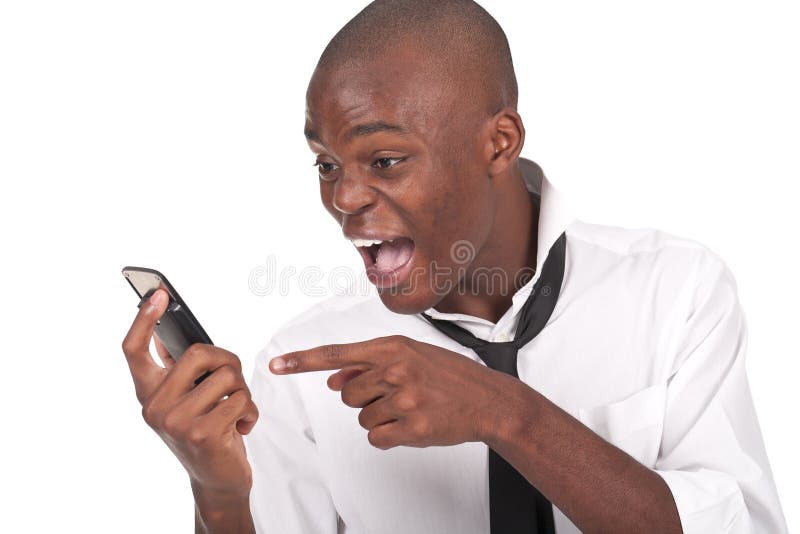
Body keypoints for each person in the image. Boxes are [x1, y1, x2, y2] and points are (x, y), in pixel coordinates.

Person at [121, 1, 788, 532]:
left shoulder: (674, 291)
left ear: (499, 143)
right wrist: (217, 497)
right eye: (326, 163)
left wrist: (503, 412)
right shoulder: (300, 367)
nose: (342, 198)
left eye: (383, 160)